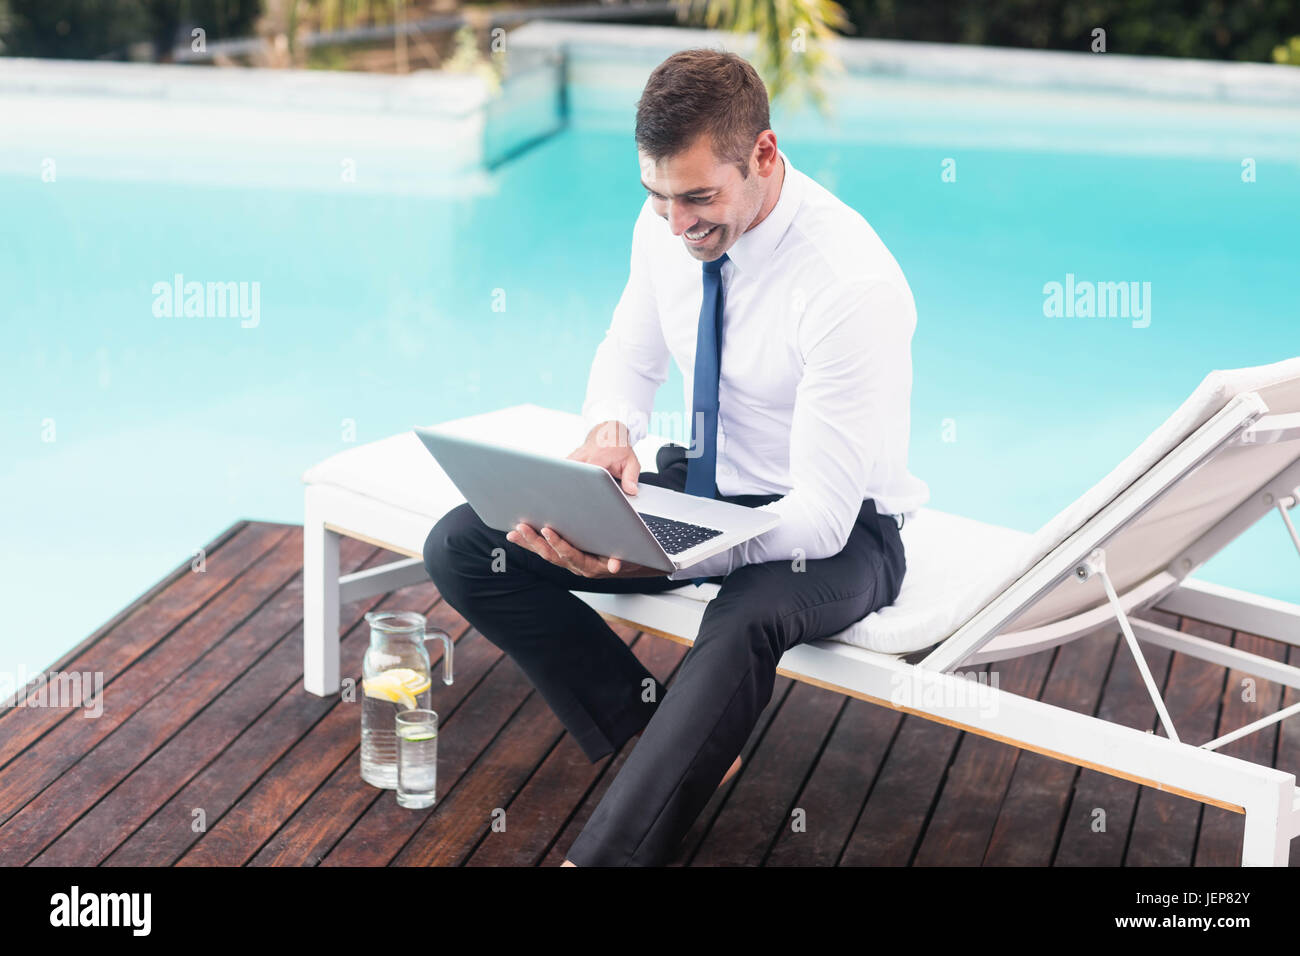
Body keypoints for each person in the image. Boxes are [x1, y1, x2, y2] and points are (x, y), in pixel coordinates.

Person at [423, 47, 928, 866]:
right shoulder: (664, 225)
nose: (677, 222)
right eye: (658, 196)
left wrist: (663, 549)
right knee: (469, 543)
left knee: (745, 617)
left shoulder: (847, 283)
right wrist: (611, 433)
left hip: (845, 533)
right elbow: (629, 353)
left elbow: (822, 518)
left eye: (699, 197)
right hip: (704, 490)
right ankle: (660, 730)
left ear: (765, 155)